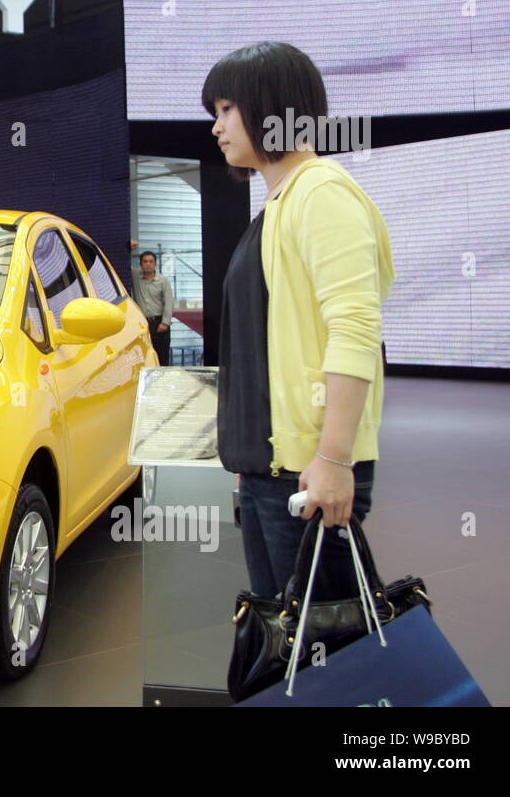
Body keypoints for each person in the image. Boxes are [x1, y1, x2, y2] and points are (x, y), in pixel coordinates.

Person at [206, 41, 394, 603]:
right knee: (288, 640)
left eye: (225, 109)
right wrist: (250, 460)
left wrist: (334, 459)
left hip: (310, 468)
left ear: (269, 106)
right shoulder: (282, 202)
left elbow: (356, 329)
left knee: (326, 657)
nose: (216, 127)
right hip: (275, 468)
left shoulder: (321, 191)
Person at [134, 250, 174, 365]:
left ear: (155, 264)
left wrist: (165, 322)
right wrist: (129, 247)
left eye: (151, 261)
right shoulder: (136, 277)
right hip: (143, 324)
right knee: (144, 358)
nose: (148, 264)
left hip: (159, 323)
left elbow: (169, 302)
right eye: (145, 261)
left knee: (162, 358)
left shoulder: (163, 281)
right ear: (141, 264)